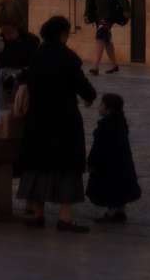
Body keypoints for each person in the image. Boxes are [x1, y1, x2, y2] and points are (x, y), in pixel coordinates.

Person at [18, 13, 97, 232]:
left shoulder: (36, 56)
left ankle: (38, 212)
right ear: (63, 34)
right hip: (65, 120)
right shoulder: (68, 57)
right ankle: (65, 218)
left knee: (38, 163)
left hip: (38, 119)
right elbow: (85, 89)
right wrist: (90, 97)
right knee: (67, 167)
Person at [87, 92, 141, 223]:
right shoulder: (121, 124)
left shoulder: (105, 126)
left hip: (108, 165)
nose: (99, 107)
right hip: (122, 164)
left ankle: (111, 213)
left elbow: (99, 147)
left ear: (108, 109)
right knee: (120, 188)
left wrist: (91, 162)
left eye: (101, 105)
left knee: (110, 188)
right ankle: (120, 211)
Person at [85, 0, 130, 75]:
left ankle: (95, 66)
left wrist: (126, 9)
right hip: (99, 14)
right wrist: (87, 13)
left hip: (108, 14)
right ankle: (114, 65)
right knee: (106, 40)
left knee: (100, 36)